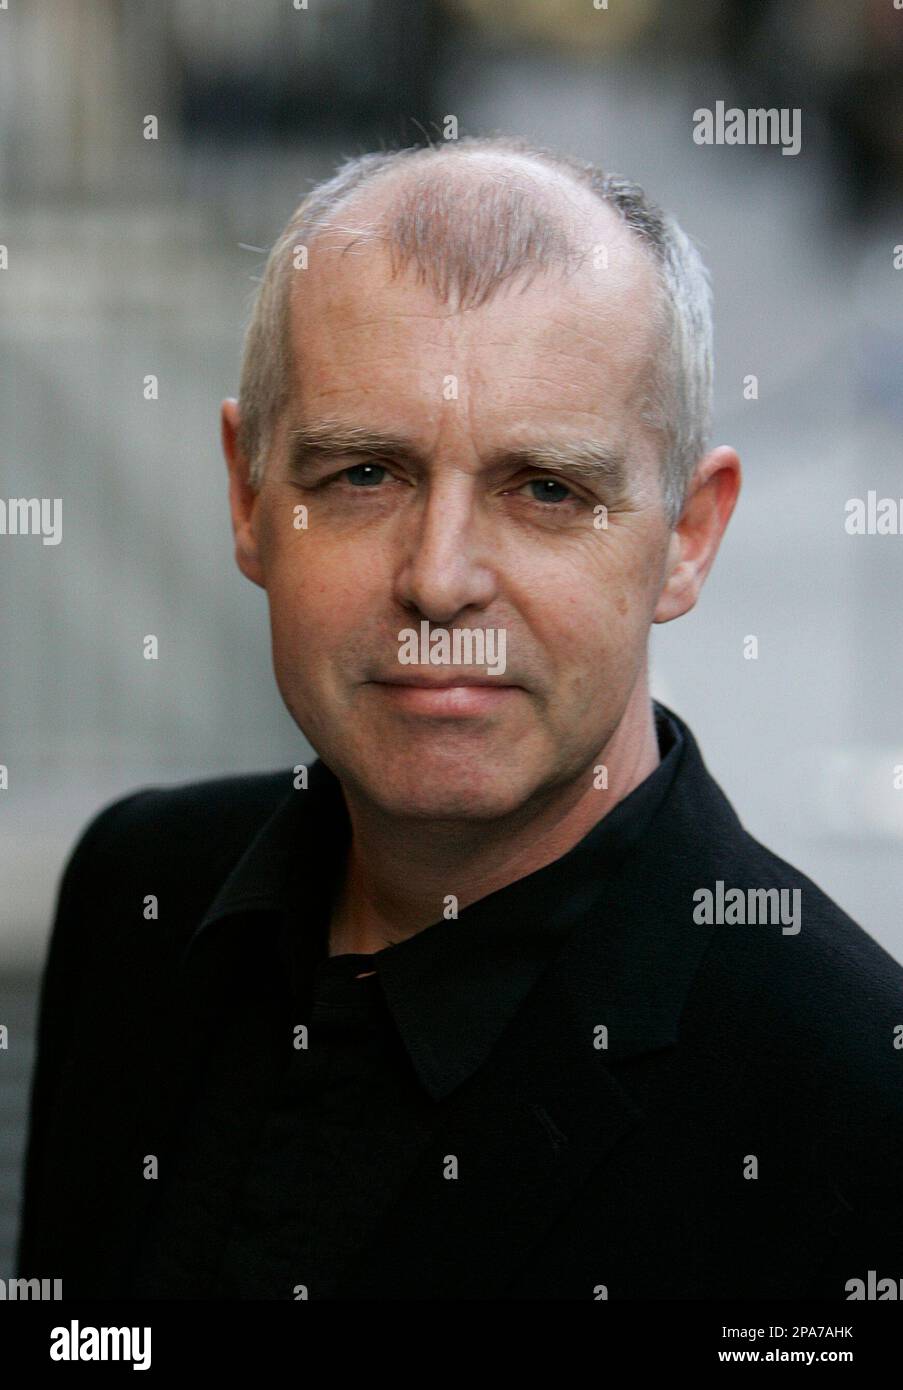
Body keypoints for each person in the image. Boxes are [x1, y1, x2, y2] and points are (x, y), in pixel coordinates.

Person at [16, 136, 903, 1300]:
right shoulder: (138, 894)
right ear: (247, 496)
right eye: (364, 475)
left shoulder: (849, 1098)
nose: (440, 580)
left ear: (688, 537)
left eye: (546, 489)